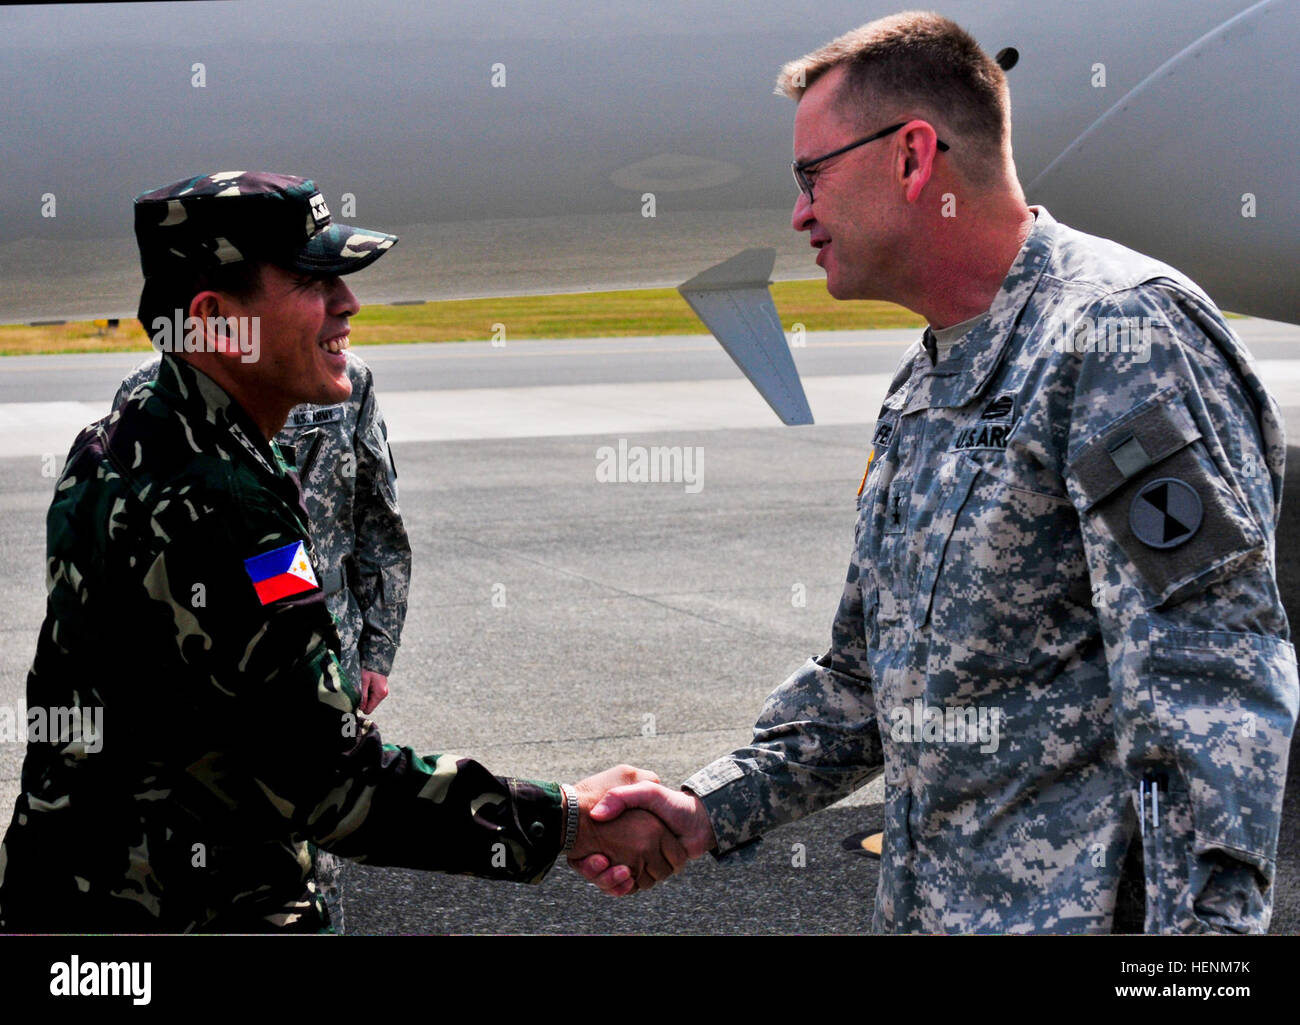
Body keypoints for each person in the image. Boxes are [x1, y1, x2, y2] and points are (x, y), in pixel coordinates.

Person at [577, 12, 1298, 934]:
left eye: (812, 176)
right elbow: (861, 684)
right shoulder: (925, 384)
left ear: (913, 157)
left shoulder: (1121, 339)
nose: (799, 213)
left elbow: (1210, 692)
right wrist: (708, 805)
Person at [0, 171, 682, 932]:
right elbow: (337, 787)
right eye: (312, 281)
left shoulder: (117, 439)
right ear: (219, 322)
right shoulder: (222, 501)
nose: (348, 303)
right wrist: (566, 819)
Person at [113, 337, 410, 933]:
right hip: (205, 665)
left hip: (324, 654)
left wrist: (377, 651)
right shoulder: (150, 391)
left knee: (320, 841)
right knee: (205, 849)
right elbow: (127, 546)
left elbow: (380, 523)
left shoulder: (348, 383)